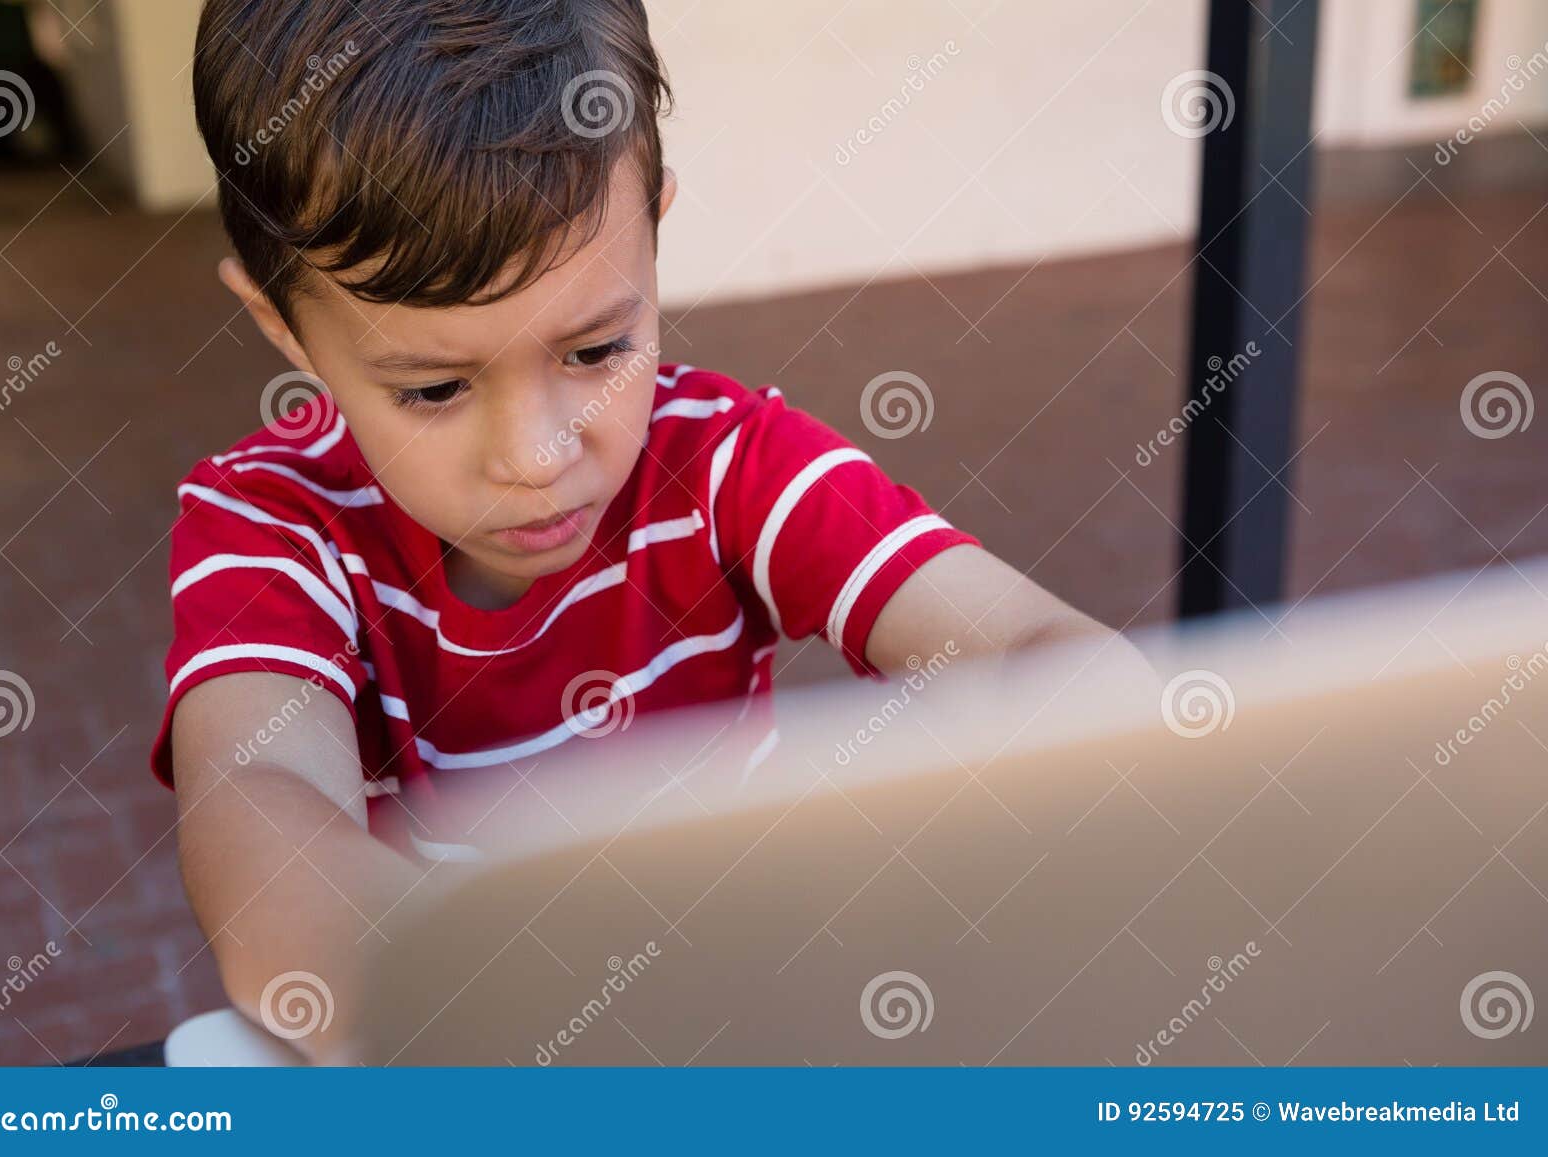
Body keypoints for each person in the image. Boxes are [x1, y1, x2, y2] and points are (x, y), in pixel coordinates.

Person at [155, 0, 1138, 1062]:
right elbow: (261, 813)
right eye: (435, 386)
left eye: (593, 351)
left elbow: (1039, 657)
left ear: (655, 233)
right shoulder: (270, 522)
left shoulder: (726, 464)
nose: (535, 455)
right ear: (281, 326)